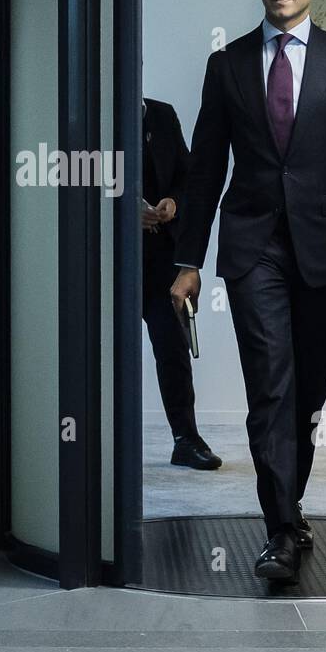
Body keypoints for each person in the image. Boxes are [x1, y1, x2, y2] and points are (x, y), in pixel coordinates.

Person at [169, 0, 326, 583]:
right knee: (270, 386)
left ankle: (288, 505)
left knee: (307, 392)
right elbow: (206, 168)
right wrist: (189, 260)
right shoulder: (229, 64)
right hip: (252, 248)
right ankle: (280, 534)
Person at [141, 97, 221, 471]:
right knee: (97, 354)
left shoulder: (162, 114)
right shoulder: (87, 112)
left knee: (172, 348)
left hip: (160, 258)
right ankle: (89, 439)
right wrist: (126, 208)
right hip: (105, 260)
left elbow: (187, 177)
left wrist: (173, 201)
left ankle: (185, 439)